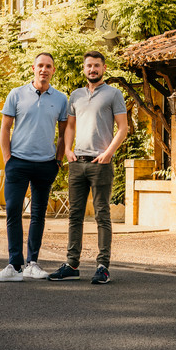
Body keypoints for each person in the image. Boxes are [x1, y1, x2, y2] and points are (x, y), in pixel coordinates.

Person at [0, 52, 68, 282]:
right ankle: (14, 266)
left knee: (38, 214)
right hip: (18, 163)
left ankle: (32, 263)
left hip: (46, 164)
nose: (44, 69)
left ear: (53, 70)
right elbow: (5, 128)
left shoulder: (61, 99)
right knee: (13, 212)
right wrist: (7, 158)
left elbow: (63, 133)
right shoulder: (16, 94)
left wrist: (58, 160)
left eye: (48, 66)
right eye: (40, 65)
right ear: (33, 68)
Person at [48, 50, 128, 284]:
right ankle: (72, 264)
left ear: (104, 68)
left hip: (100, 163)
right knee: (75, 215)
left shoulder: (114, 94)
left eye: (96, 65)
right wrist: (68, 151)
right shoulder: (76, 96)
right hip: (77, 163)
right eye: (88, 66)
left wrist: (108, 153)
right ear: (84, 69)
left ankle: (103, 266)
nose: (92, 69)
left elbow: (122, 127)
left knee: (102, 215)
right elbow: (70, 127)